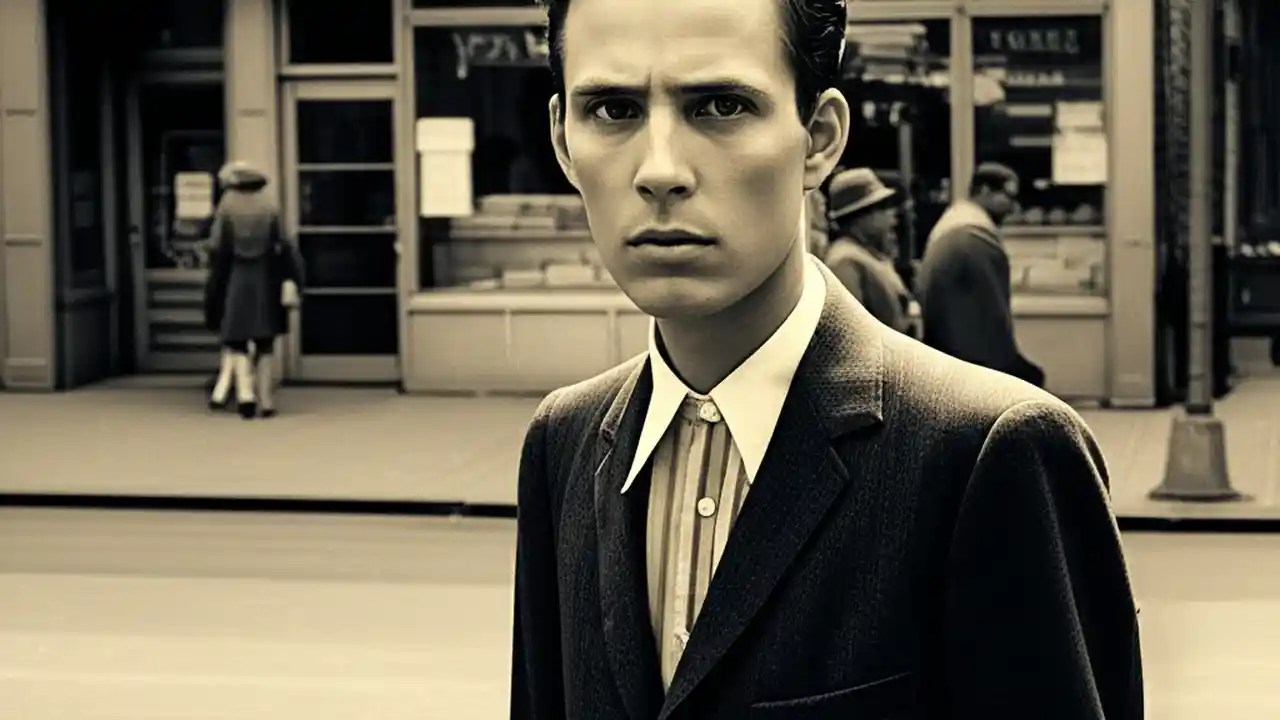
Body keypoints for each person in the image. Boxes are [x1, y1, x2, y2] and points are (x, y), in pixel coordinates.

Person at [511, 0, 1143, 717]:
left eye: (721, 104)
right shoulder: (561, 444)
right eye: (614, 109)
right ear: (563, 140)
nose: (661, 171)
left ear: (819, 137)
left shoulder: (986, 452)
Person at [916, 162, 1046, 387]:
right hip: (969, 364)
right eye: (1008, 196)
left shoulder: (954, 222)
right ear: (985, 191)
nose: (1013, 207)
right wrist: (1011, 363)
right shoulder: (975, 237)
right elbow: (992, 316)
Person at [204, 161, 304, 419]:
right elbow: (283, 243)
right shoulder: (270, 204)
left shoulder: (227, 204)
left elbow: (217, 244)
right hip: (266, 277)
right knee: (265, 342)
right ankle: (267, 400)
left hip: (236, 277)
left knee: (236, 340)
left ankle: (246, 396)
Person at [822, 167, 916, 336]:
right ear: (861, 215)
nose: (892, 215)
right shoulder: (844, 262)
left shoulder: (869, 254)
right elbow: (849, 335)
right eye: (883, 207)